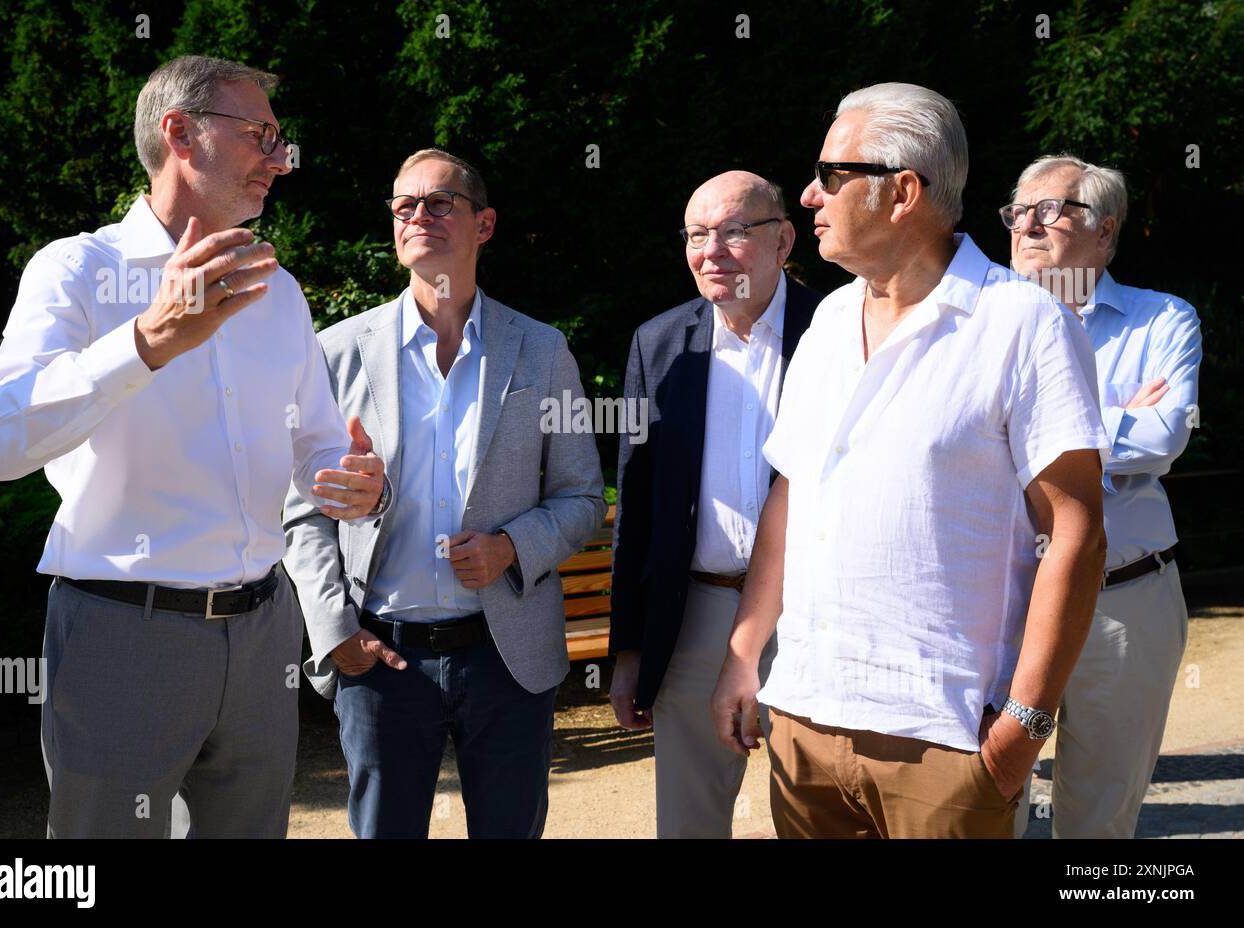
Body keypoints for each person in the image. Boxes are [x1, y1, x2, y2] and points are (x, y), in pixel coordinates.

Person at [0, 55, 387, 838]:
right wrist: (146, 341)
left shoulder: (279, 289)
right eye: (261, 134)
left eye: (280, 137)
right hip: (124, 635)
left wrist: (352, 481)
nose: (280, 158)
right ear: (181, 133)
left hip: (265, 634)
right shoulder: (75, 271)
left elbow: (320, 447)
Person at [710, 83, 1110, 838]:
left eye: (831, 175)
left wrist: (1022, 727)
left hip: (947, 741)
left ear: (902, 191)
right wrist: (745, 654)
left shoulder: (1023, 323)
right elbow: (791, 501)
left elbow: (1078, 532)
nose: (808, 195)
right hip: (805, 721)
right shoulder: (827, 321)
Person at [282, 148, 606, 839]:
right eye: (404, 205)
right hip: (380, 657)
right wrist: (335, 631)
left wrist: (511, 547)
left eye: (439, 203)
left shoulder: (542, 351)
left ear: (483, 224)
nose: (418, 216)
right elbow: (301, 513)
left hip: (506, 654)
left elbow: (583, 494)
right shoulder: (336, 351)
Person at [609, 171, 821, 837]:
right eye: (697, 235)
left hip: (819, 613)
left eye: (734, 231)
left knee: (820, 814)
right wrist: (630, 649)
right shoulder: (660, 344)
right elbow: (636, 505)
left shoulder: (841, 330)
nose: (712, 250)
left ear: (783, 239)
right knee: (690, 822)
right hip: (694, 613)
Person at [1003, 154, 1201, 838]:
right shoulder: (971, 323)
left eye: (1051, 210)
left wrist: (1028, 428)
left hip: (1126, 599)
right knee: (979, 805)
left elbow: (1165, 436)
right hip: (1000, 601)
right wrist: (1111, 416)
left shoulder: (1163, 320)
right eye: (1017, 211)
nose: (1028, 223)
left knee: (1100, 819)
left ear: (1104, 233)